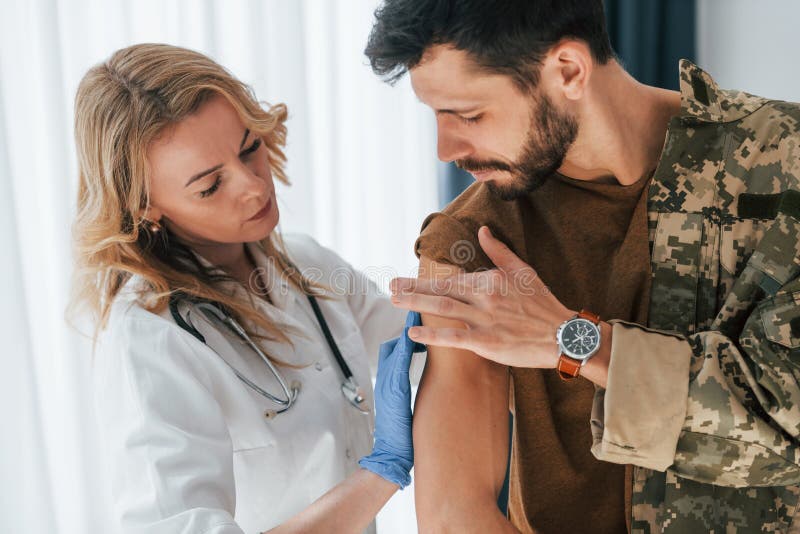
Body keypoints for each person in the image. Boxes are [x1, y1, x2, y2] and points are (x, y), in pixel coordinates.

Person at [364, 0, 800, 533]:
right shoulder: (471, 243)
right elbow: (458, 516)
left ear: (568, 70)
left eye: (470, 115)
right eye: (437, 115)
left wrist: (570, 339)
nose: (445, 148)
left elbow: (787, 419)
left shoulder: (782, 163)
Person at [69, 43, 424, 534]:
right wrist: (379, 474)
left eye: (249, 148)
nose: (254, 187)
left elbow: (417, 351)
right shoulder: (150, 340)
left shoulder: (305, 264)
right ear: (144, 205)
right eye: (210, 186)